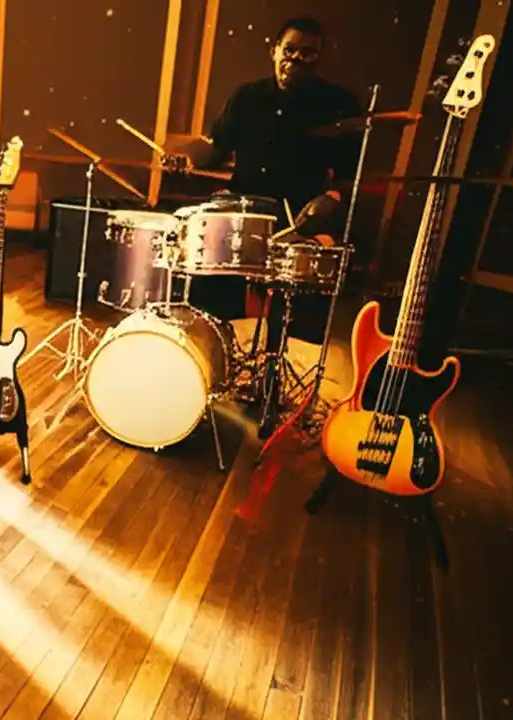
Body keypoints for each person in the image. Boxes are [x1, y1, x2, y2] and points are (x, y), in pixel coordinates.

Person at [162, 15, 362, 433]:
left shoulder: (336, 105)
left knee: (290, 303)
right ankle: (209, 365)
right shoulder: (246, 98)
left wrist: (331, 200)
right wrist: (186, 158)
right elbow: (216, 148)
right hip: (245, 212)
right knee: (209, 286)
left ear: (319, 58)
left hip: (298, 217)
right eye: (290, 50)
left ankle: (272, 376)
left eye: (308, 54)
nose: (296, 60)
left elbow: (347, 175)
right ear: (274, 50)